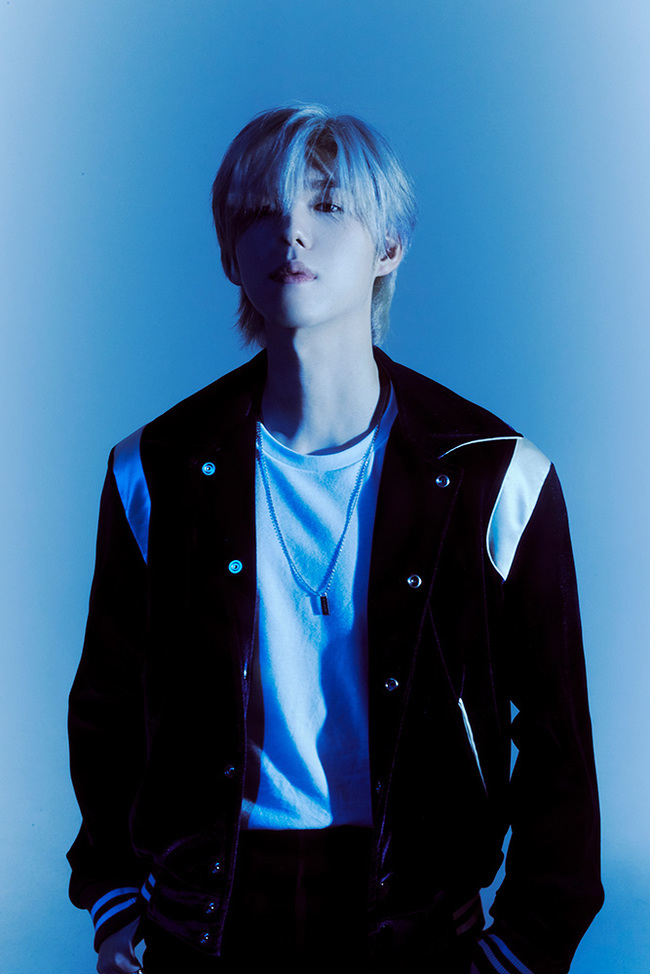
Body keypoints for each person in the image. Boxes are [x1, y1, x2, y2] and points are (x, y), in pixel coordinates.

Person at [67, 104, 603, 974]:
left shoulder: (497, 478)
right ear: (229, 255)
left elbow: (557, 742)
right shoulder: (153, 471)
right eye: (260, 210)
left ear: (389, 246)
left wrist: (528, 943)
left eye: (326, 204)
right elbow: (106, 704)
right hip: (207, 920)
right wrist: (115, 898)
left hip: (418, 923)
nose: (292, 231)